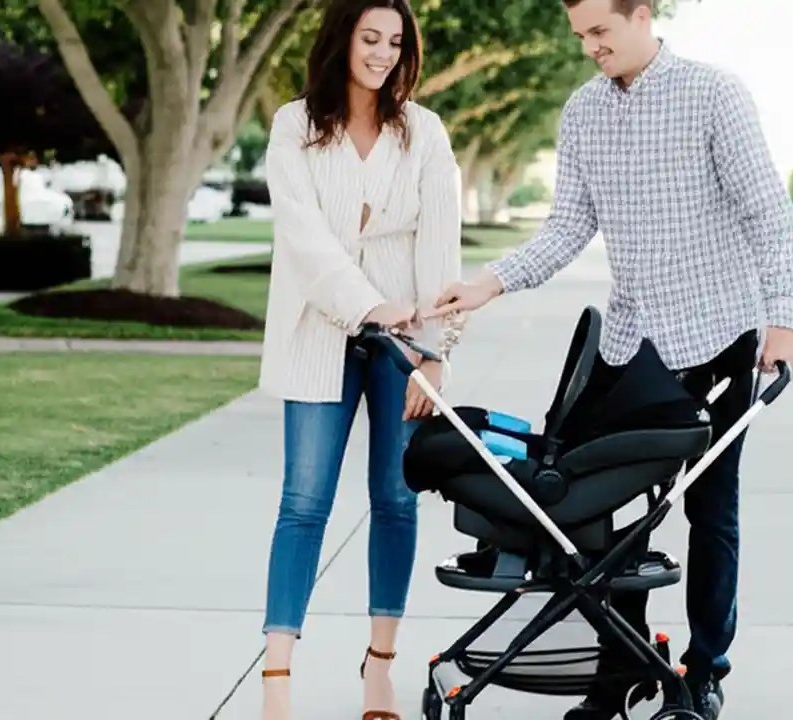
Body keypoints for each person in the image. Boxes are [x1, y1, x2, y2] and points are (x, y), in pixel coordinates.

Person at [426, 0, 793, 717]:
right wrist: (487, 284)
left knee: (710, 511)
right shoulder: (583, 112)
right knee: (596, 511)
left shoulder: (713, 95)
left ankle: (703, 671)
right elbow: (568, 224)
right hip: (634, 344)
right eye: (580, 36)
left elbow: (767, 211)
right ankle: (620, 671)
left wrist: (782, 320)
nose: (589, 48)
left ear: (642, 15)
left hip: (721, 336)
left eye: (599, 32)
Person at [255, 0, 463, 718]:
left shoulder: (424, 131)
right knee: (303, 502)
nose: (381, 52)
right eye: (370, 38)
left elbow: (440, 246)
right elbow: (303, 236)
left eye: (394, 41)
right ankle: (276, 680)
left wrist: (433, 355)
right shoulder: (295, 125)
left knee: (397, 500)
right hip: (322, 327)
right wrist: (370, 305)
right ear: (342, 39)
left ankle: (380, 666)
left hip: (406, 341)